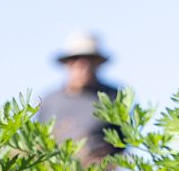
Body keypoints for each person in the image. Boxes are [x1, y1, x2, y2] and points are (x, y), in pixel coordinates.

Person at [38, 30, 122, 162]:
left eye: (89, 60)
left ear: (98, 63)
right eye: (76, 60)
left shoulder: (113, 97)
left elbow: (122, 142)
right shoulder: (49, 101)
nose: (83, 66)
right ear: (67, 64)